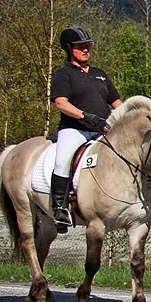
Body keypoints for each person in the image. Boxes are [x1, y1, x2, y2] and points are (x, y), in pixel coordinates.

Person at [49, 26, 123, 232]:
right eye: (80, 46)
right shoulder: (64, 74)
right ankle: (60, 209)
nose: (85, 49)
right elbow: (61, 103)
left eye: (87, 46)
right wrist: (84, 116)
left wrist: (129, 116)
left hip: (102, 129)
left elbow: (116, 102)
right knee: (63, 160)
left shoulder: (99, 74)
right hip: (74, 129)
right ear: (68, 49)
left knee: (128, 154)